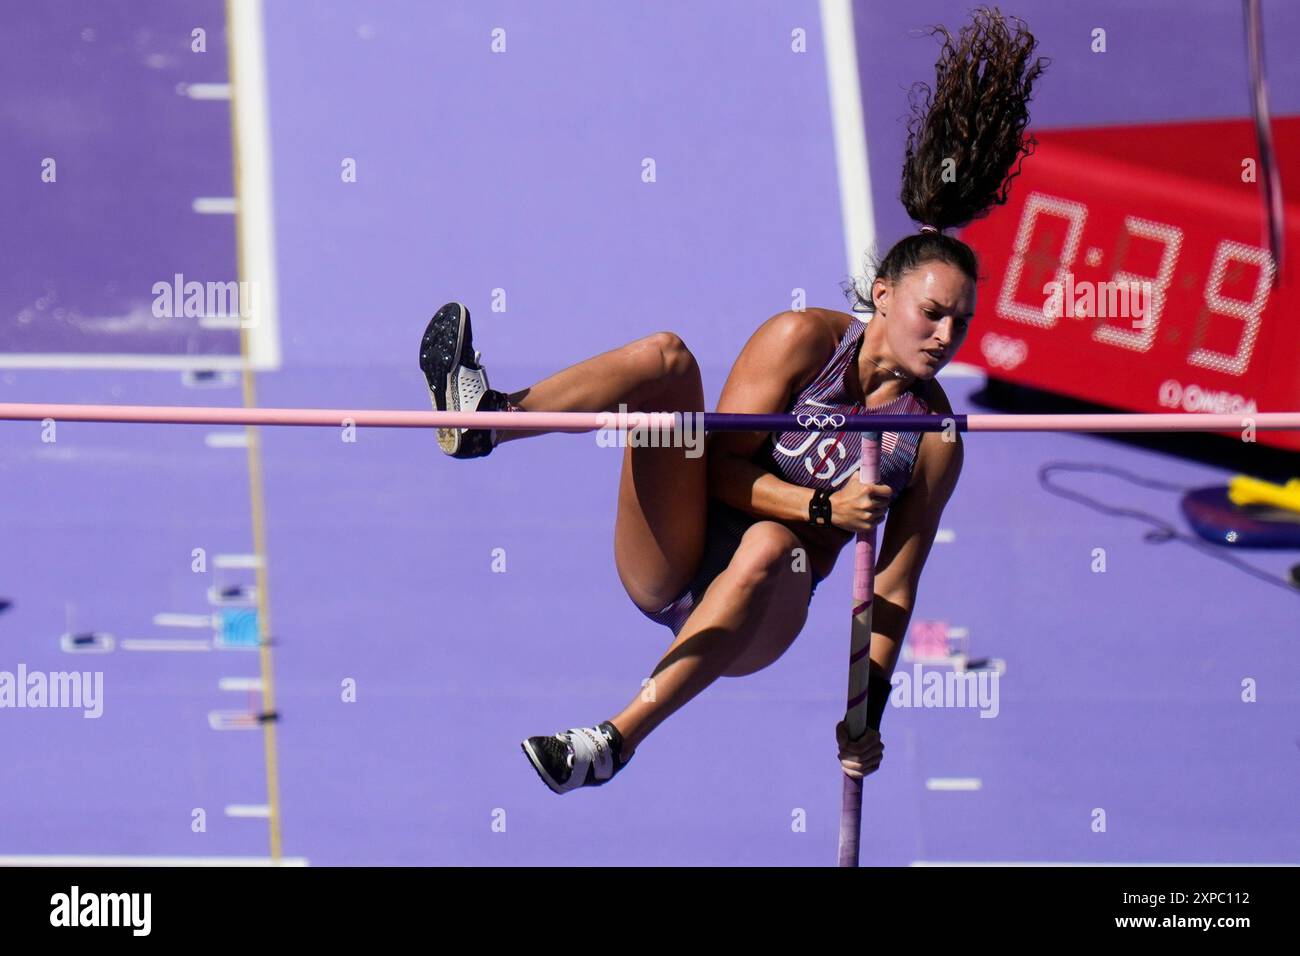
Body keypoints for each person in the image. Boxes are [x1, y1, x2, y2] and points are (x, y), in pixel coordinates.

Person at [418, 6, 1047, 794]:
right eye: (933, 312)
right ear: (883, 296)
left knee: (764, 549)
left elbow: (892, 586)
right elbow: (711, 469)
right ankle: (488, 419)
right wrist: (821, 511)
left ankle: (612, 741)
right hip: (673, 551)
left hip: (764, 608)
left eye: (963, 321)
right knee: (666, 361)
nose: (949, 334)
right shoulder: (801, 343)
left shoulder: (934, 438)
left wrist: (865, 713)